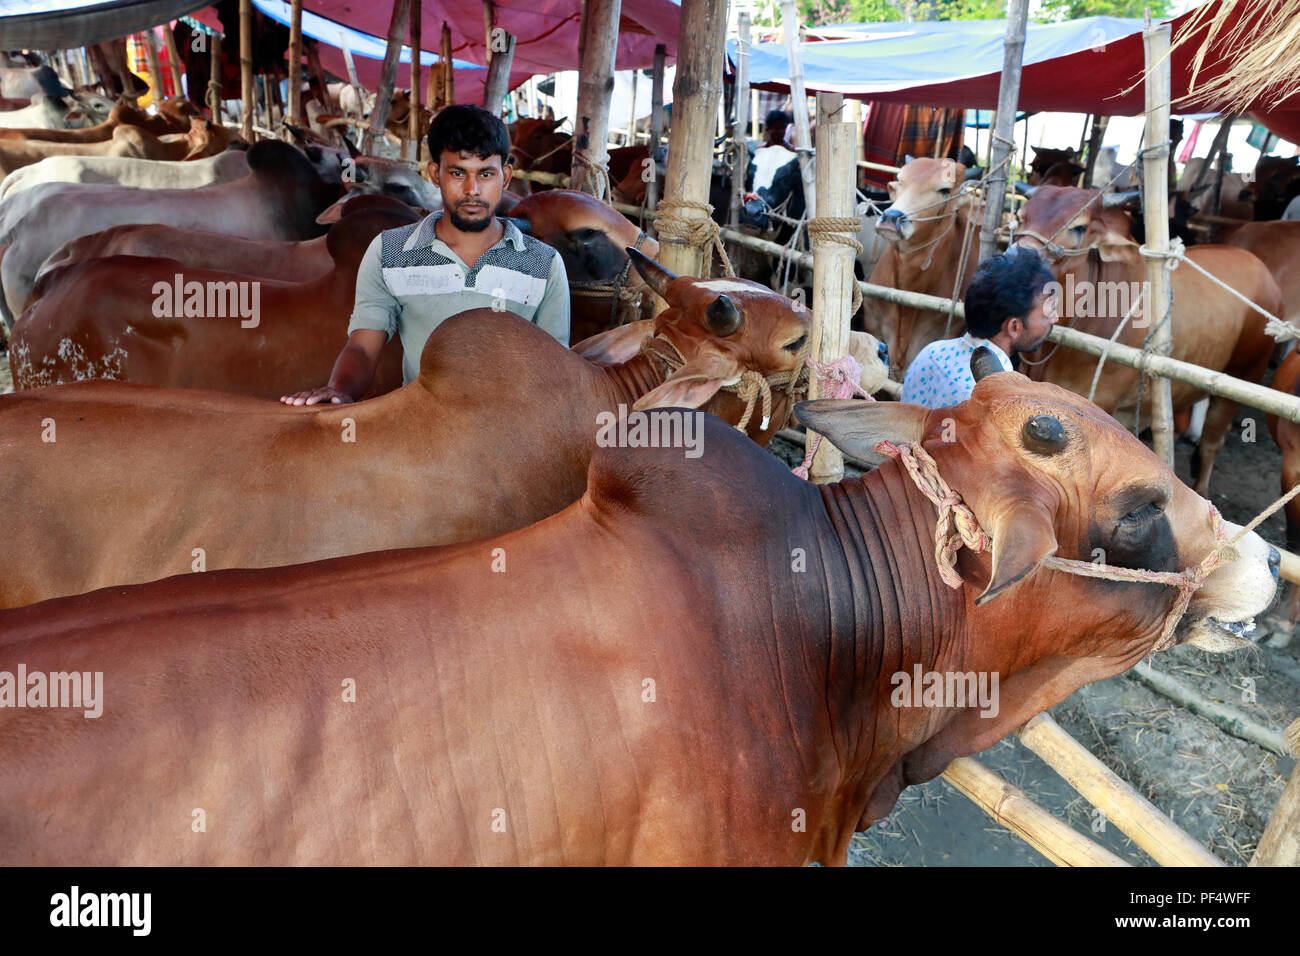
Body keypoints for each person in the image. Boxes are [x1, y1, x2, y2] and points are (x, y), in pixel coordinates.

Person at [282, 104, 570, 405]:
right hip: (420, 436)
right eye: (458, 173)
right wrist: (340, 390)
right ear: (435, 174)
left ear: (506, 176)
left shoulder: (544, 264)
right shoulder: (389, 252)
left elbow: (554, 369)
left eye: (485, 174)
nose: (472, 189)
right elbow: (363, 348)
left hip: (510, 438)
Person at [900, 246, 1058, 409]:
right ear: (1014, 327)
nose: (1055, 318)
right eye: (1049, 310)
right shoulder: (995, 399)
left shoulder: (932, 352)